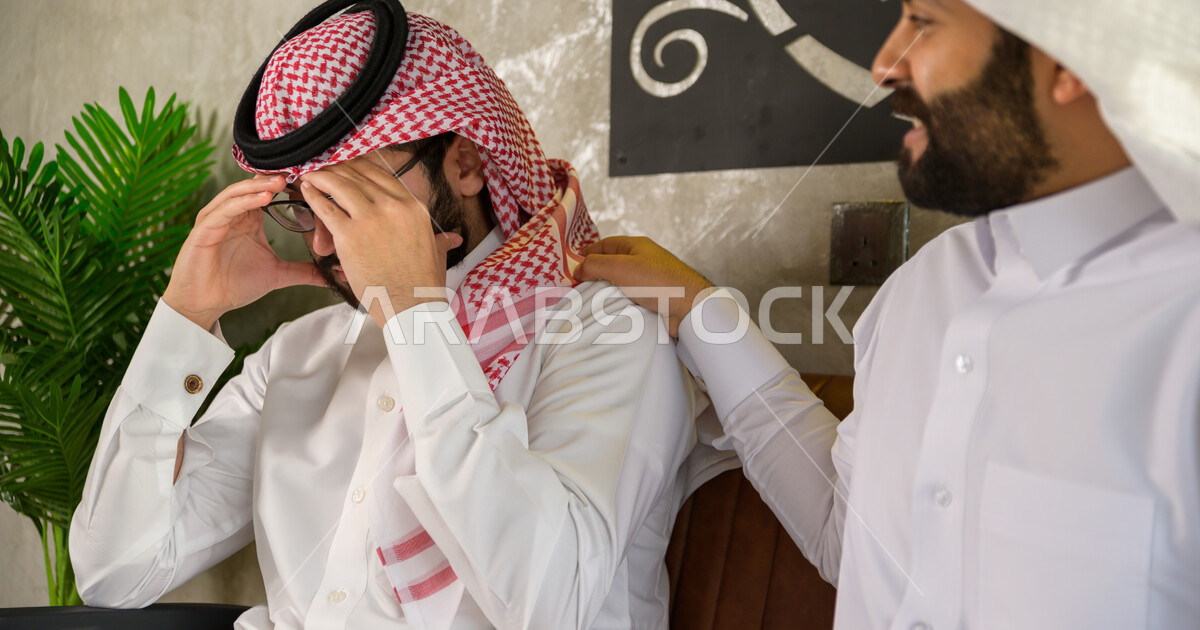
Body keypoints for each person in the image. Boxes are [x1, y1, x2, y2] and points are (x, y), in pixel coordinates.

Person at [69, 2, 722, 628]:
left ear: (465, 162)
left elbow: (550, 603)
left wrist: (417, 323)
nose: (322, 240)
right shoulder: (299, 355)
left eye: (352, 193)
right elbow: (114, 574)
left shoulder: (605, 332)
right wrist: (185, 321)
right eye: (305, 204)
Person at [580, 0, 1200, 628]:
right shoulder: (925, 287)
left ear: (1067, 55)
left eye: (923, 22)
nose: (882, 67)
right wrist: (697, 309)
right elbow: (850, 540)